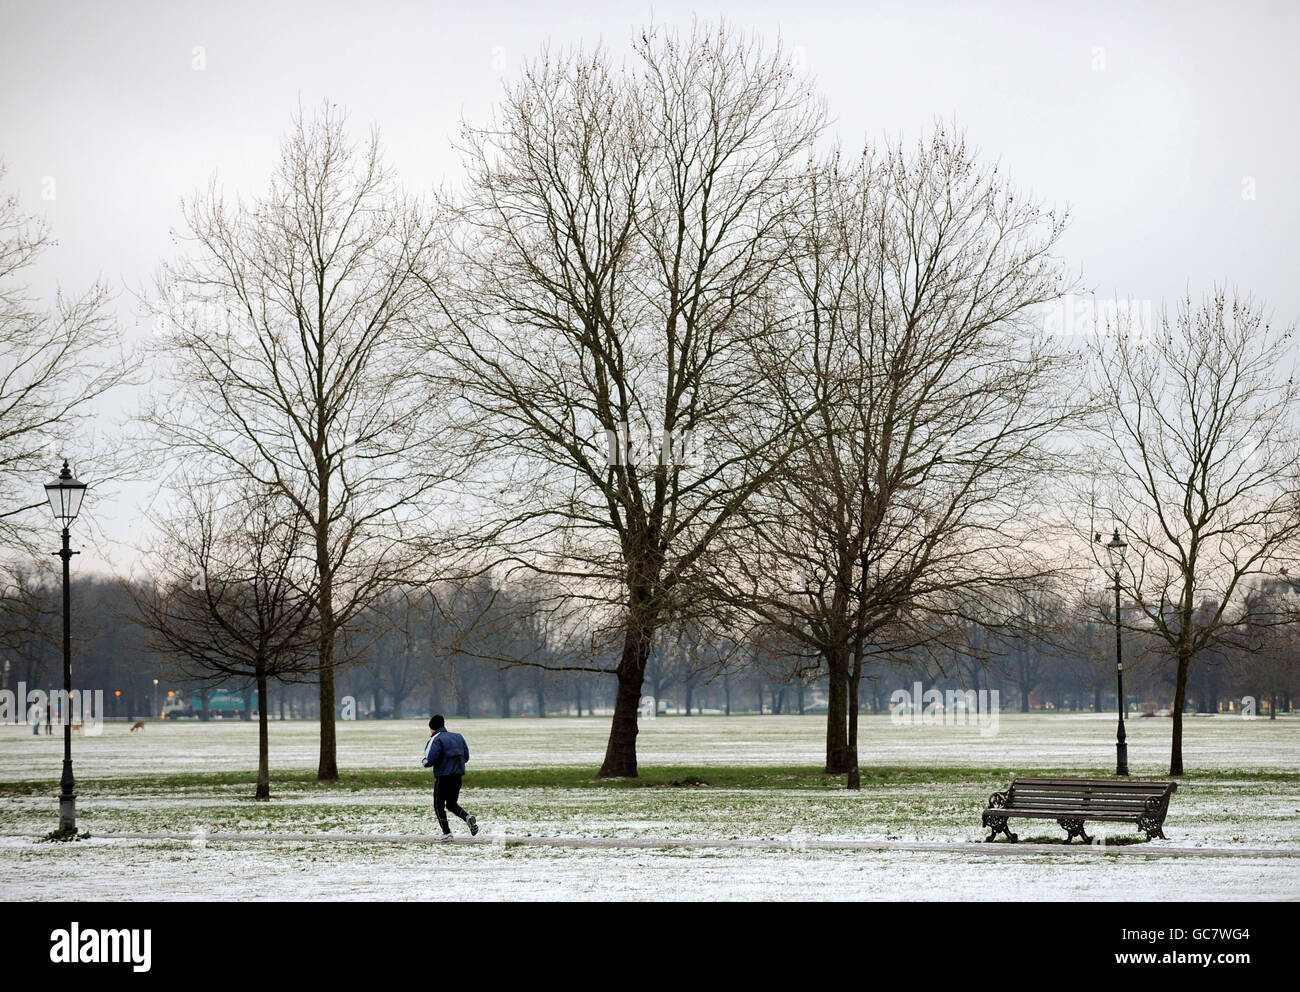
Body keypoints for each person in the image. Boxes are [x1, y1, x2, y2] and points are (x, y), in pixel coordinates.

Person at [421, 715, 478, 841]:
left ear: (432, 727)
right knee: (451, 804)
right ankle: (467, 817)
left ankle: (446, 833)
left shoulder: (435, 739)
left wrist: (424, 762)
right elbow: (466, 757)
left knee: (438, 805)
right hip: (458, 776)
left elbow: (430, 759)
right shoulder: (458, 737)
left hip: (443, 777)